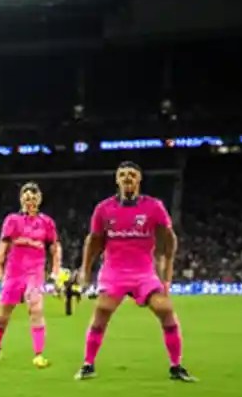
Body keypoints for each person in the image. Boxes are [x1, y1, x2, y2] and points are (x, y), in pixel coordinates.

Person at [75, 161, 196, 382]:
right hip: (114, 271)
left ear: (139, 179)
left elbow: (169, 241)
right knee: (101, 311)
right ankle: (88, 364)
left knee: (166, 310)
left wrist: (166, 276)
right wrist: (85, 270)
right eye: (123, 174)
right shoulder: (104, 209)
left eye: (132, 174)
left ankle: (176, 366)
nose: (127, 178)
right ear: (117, 180)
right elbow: (93, 242)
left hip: (144, 273)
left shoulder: (153, 206)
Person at [0, 182, 60, 368]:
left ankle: (39, 354)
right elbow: (2, 244)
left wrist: (56, 268)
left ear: (39, 200)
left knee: (35, 307)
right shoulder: (12, 220)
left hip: (35, 272)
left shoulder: (47, 223)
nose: (30, 201)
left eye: (34, 198)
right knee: (4, 314)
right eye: (27, 198)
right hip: (14, 272)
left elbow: (54, 247)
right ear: (21, 199)